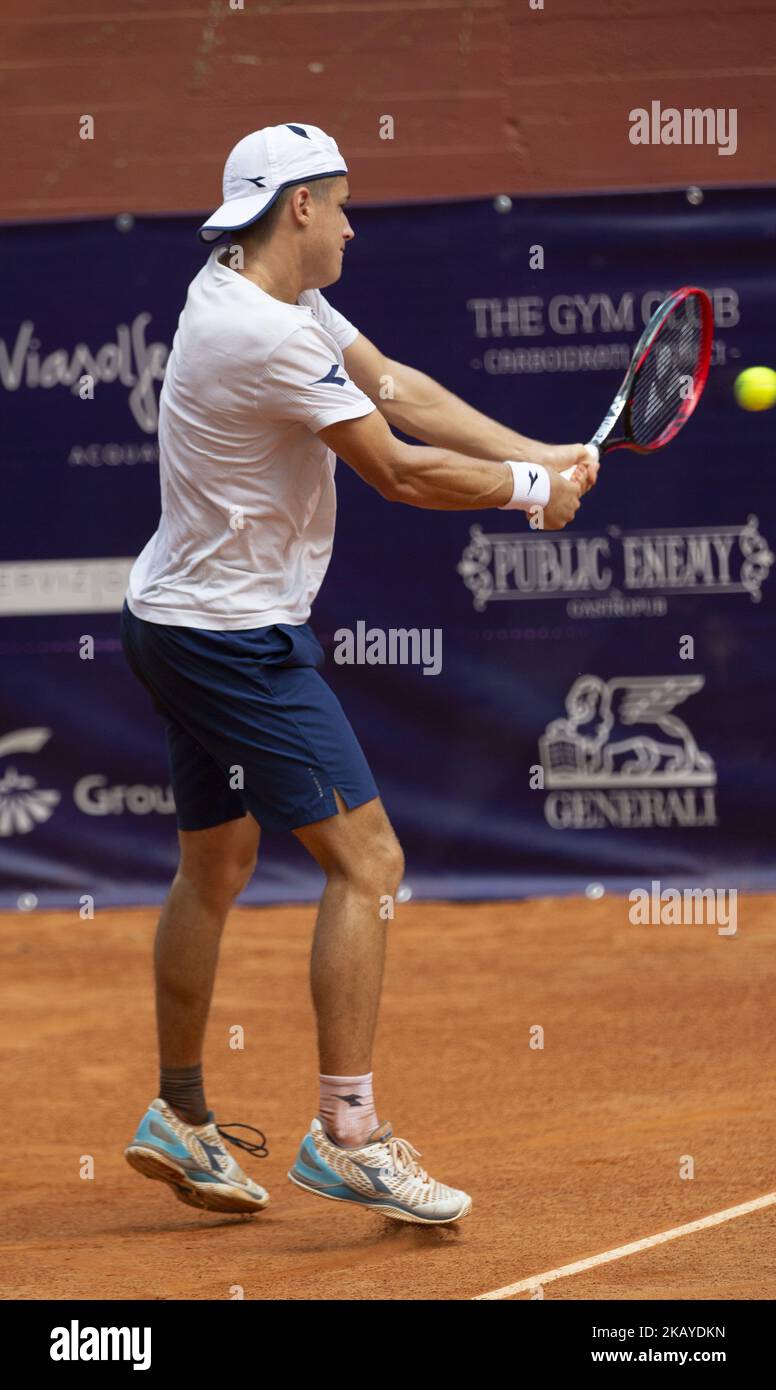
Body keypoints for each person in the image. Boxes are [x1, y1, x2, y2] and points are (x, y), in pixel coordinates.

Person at [121, 122, 597, 1226]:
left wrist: (543, 453)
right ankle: (349, 1134)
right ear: (295, 208)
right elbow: (391, 465)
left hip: (173, 620)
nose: (349, 222)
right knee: (369, 861)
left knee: (216, 865)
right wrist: (526, 493)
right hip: (235, 641)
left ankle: (178, 1114)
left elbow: (403, 387)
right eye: (338, 203)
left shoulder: (254, 287)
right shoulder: (264, 335)